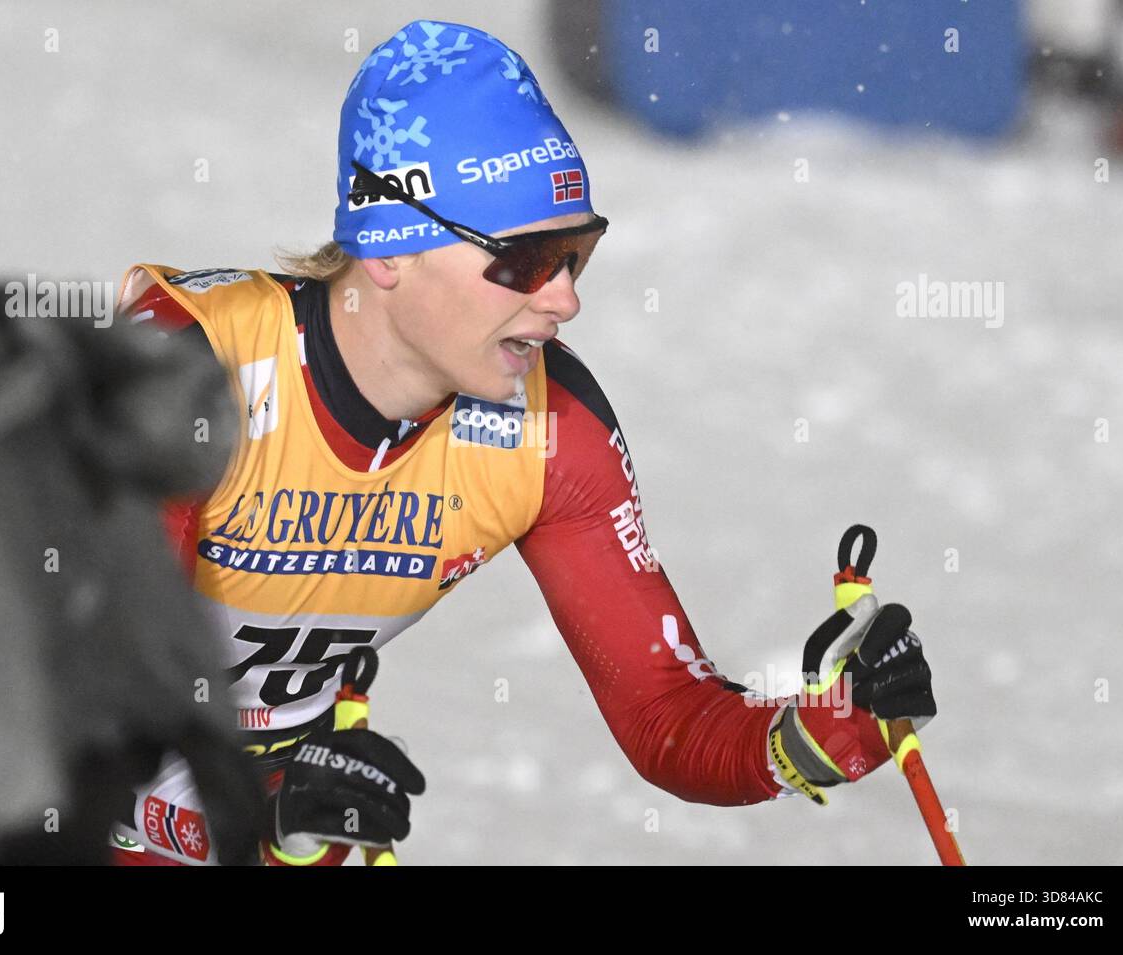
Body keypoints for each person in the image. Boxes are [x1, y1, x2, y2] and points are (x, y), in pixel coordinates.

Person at [109, 19, 936, 866]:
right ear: (393, 247)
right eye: (528, 258)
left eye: (578, 253)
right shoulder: (192, 373)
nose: (564, 299)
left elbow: (668, 713)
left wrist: (833, 721)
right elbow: (61, 686)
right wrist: (269, 810)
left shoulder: (548, 428)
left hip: (282, 822)